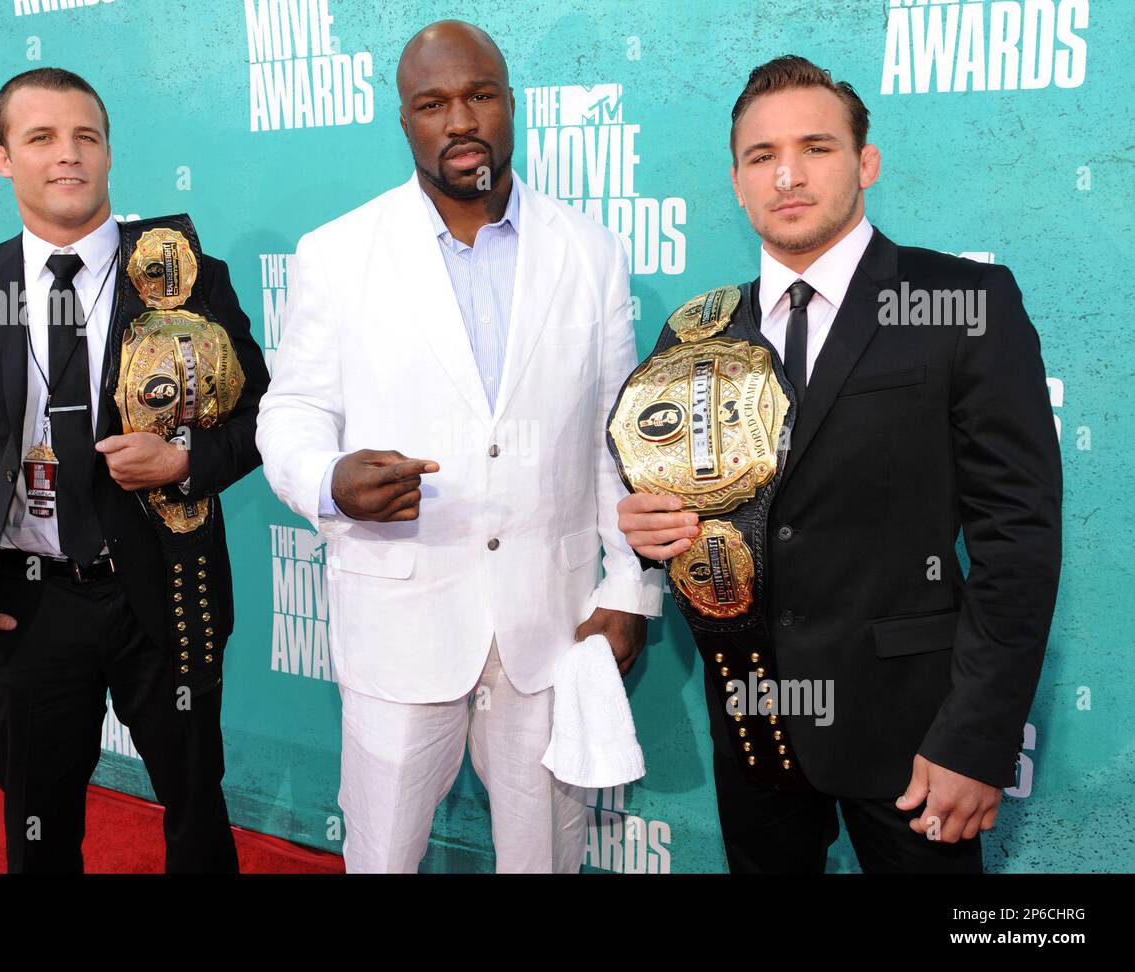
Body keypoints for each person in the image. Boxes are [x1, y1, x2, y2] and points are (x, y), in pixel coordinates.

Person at [614, 55, 1062, 873]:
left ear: (866, 162)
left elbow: (1019, 541)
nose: (788, 174)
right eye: (761, 156)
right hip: (752, 720)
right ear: (738, 181)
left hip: (917, 735)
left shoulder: (961, 302)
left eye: (816, 147)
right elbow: (699, 515)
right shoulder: (698, 336)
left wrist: (977, 738)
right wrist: (649, 531)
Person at [256, 21, 662, 873]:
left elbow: (615, 438)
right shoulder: (337, 253)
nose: (459, 119)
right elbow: (288, 411)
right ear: (405, 122)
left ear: (512, 104)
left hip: (547, 624)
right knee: (383, 854)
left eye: (479, 94)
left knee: (542, 857)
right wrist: (328, 479)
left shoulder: (589, 251)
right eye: (432, 103)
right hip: (399, 618)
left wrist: (630, 584)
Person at [0, 67, 269, 872]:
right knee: (38, 828)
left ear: (108, 152)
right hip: (24, 607)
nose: (66, 156)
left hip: (163, 589)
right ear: (4, 158)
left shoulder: (184, 275)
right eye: (40, 138)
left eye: (86, 137)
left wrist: (182, 460)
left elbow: (263, 421)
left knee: (196, 812)